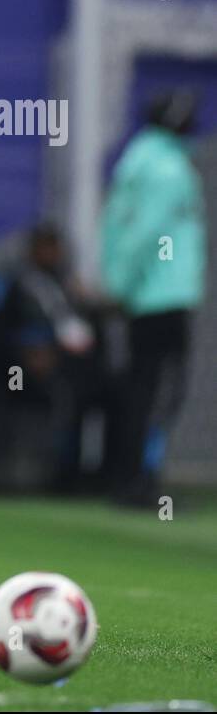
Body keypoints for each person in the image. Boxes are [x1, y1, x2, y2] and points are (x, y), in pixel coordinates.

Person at [100, 89, 207, 507]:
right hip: (164, 295)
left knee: (139, 388)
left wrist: (118, 283)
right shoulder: (170, 169)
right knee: (161, 392)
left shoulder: (135, 161)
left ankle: (126, 477)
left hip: (142, 296)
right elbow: (150, 234)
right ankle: (138, 482)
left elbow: (115, 227)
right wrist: (124, 285)